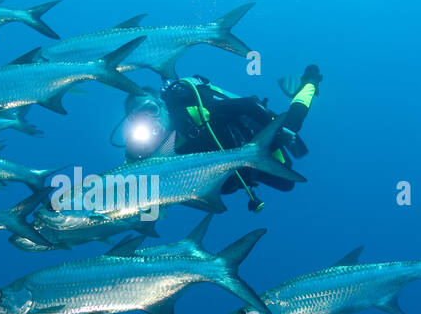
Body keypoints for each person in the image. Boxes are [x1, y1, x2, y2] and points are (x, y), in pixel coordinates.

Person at [120, 65, 323, 211]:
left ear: (163, 105)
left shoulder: (192, 110)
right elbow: (141, 196)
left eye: (150, 109)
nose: (148, 120)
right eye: (137, 117)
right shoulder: (140, 150)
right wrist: (146, 218)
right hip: (226, 179)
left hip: (246, 141)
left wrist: (275, 128)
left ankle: (309, 82)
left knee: (290, 135)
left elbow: (249, 105)